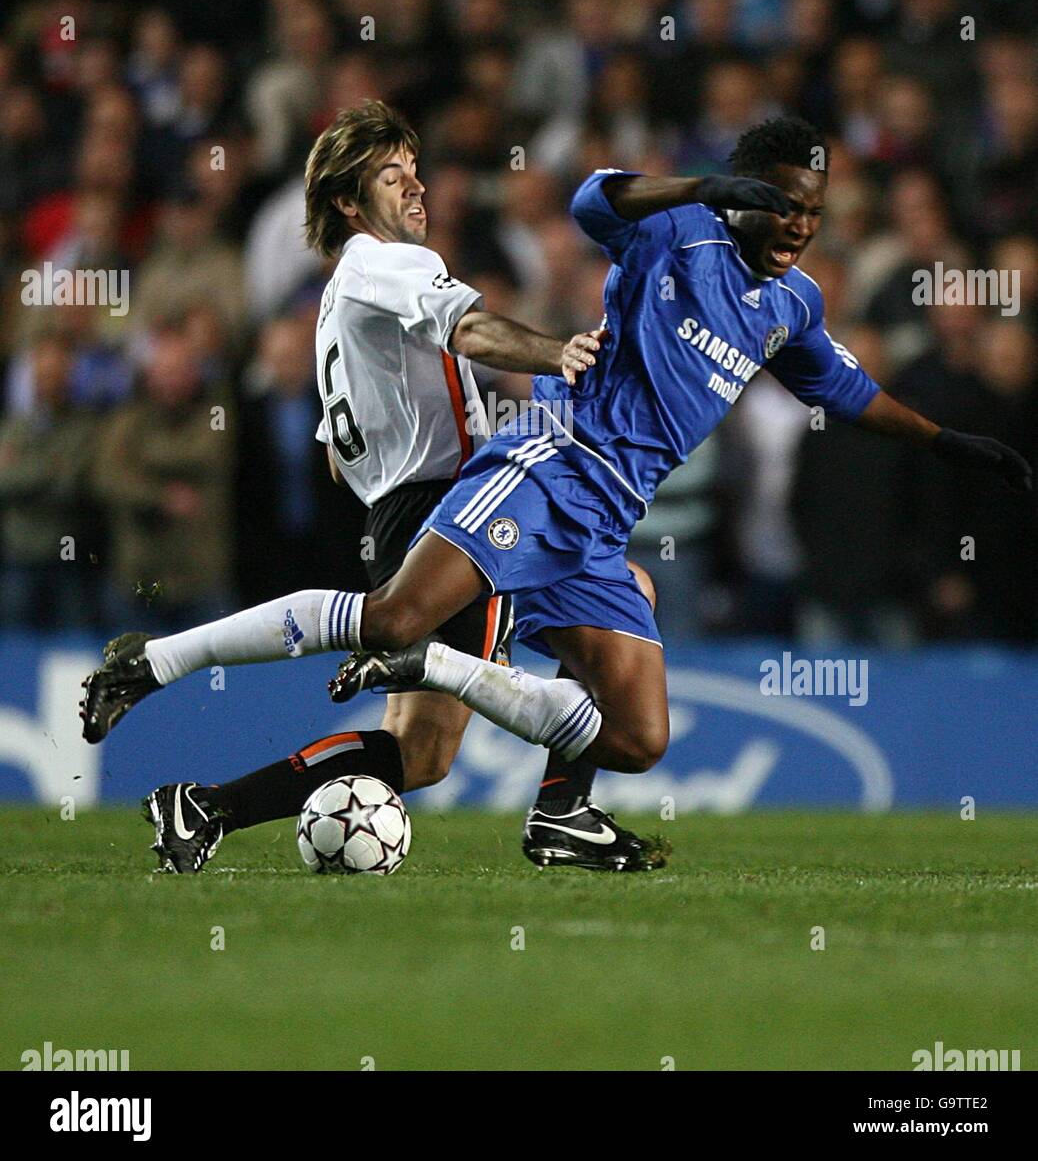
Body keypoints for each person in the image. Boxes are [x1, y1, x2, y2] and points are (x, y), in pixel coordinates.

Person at [83, 117, 1031, 851]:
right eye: (782, 204)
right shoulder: (678, 235)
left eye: (814, 216)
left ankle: (534, 806)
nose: (799, 226)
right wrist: (694, 195)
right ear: (741, 195)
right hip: (545, 464)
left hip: (597, 512)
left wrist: (948, 440)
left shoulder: (792, 303)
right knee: (397, 637)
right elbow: (592, 202)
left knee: (627, 730)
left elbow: (846, 385)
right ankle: (166, 666)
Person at [83, 100, 659, 873]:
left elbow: (333, 453)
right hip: (459, 513)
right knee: (421, 733)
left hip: (406, 509)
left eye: (416, 172)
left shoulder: (336, 300)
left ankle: (204, 787)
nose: (416, 188)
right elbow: (472, 328)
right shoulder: (386, 261)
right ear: (351, 204)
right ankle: (189, 730)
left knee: (616, 601)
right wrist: (560, 354)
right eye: (393, 177)